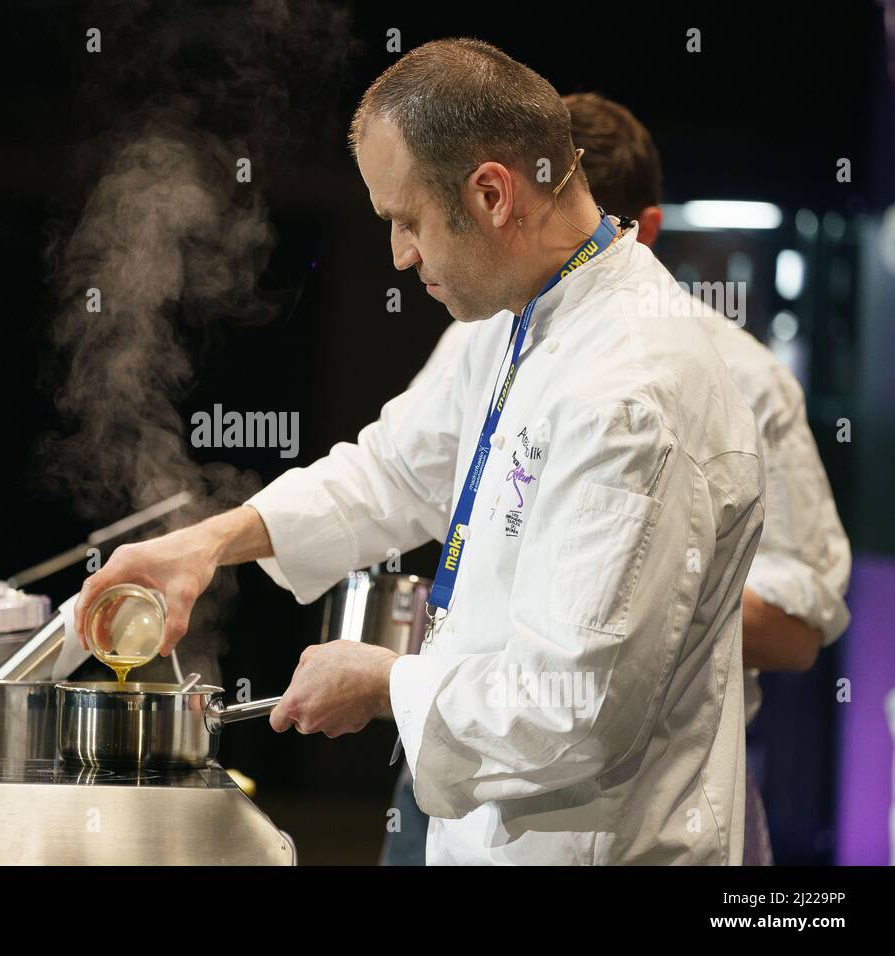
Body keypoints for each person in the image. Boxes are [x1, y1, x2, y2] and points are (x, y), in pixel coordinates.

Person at [77, 39, 765, 864]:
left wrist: (386, 684)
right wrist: (205, 544)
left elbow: (572, 708)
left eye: (407, 221)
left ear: (490, 193)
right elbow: (395, 469)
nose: (400, 255)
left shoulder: (632, 391)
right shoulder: (524, 314)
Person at [381, 93, 853, 866]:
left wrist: (644, 610)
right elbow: (390, 468)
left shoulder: (712, 377)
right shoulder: (498, 331)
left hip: (630, 800)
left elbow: (799, 630)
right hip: (461, 742)